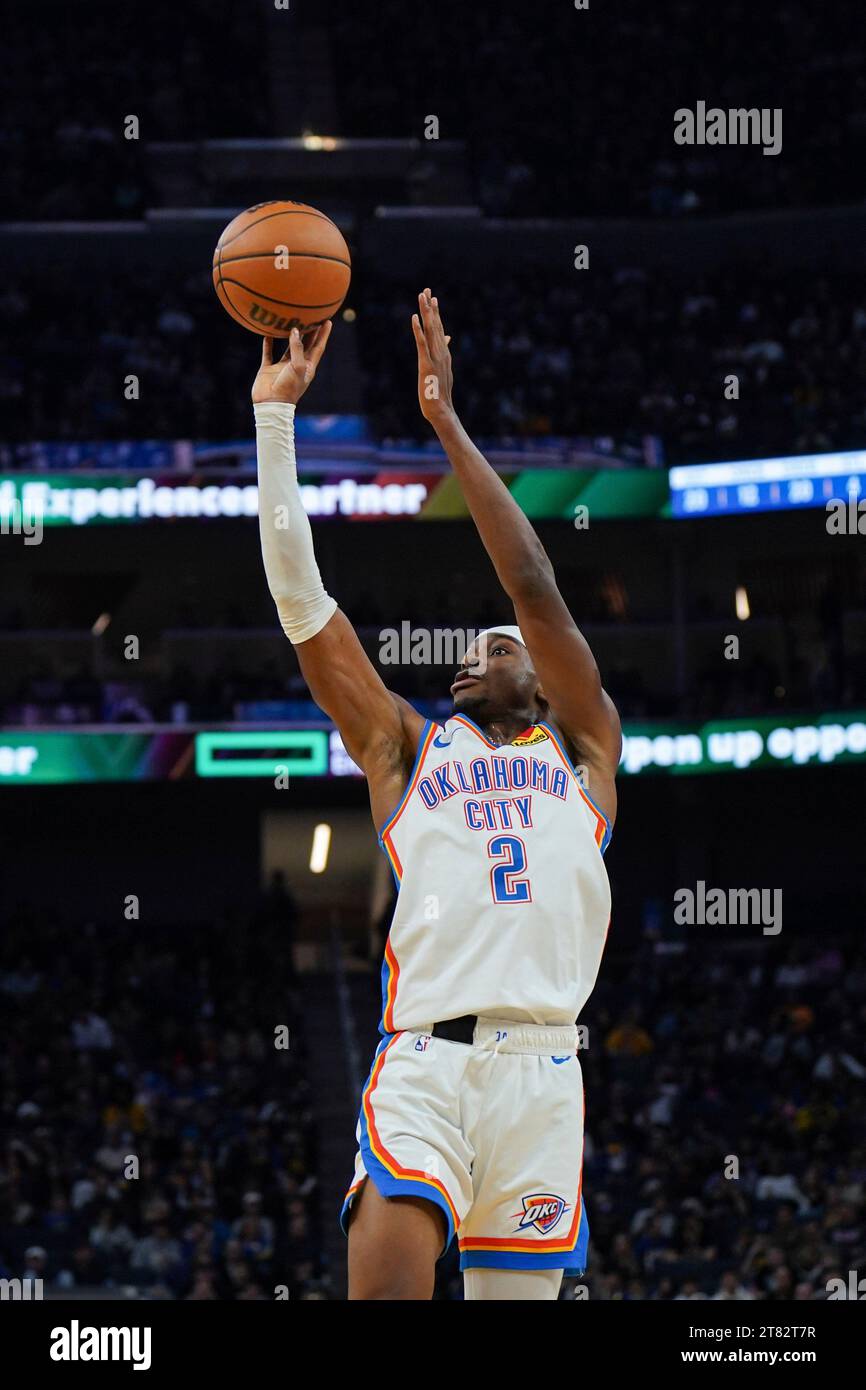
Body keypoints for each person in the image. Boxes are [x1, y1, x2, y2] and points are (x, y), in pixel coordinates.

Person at [252, 290, 620, 1300]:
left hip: (546, 1082)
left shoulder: (582, 748)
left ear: (541, 683)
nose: (471, 649)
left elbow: (534, 587)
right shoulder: (406, 747)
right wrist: (272, 420)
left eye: (492, 645)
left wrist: (445, 427)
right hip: (428, 1066)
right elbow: (302, 604)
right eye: (466, 644)